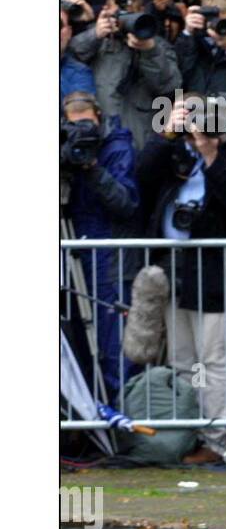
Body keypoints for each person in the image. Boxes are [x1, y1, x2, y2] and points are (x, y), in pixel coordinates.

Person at [136, 94, 226, 464]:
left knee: (212, 358)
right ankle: (187, 433)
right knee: (184, 358)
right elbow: (142, 177)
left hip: (215, 271)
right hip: (175, 268)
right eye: (192, 115)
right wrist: (167, 134)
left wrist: (210, 152)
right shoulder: (173, 152)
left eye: (208, 116)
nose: (200, 123)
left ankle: (216, 440)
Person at [60, 91, 139, 399]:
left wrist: (93, 168)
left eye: (87, 126)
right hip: (75, 250)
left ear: (100, 119)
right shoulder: (64, 148)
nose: (82, 134)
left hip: (110, 255)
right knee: (76, 338)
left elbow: (126, 202)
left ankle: (122, 416)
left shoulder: (117, 146)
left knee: (112, 343)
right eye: (74, 127)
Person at [67, 0, 183, 150]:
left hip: (140, 137)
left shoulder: (157, 45)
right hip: (102, 138)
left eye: (131, 13)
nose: (126, 19)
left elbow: (169, 86)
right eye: (120, 13)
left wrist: (149, 50)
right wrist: (94, 34)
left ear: (142, 12)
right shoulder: (100, 40)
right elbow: (68, 58)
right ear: (106, 10)